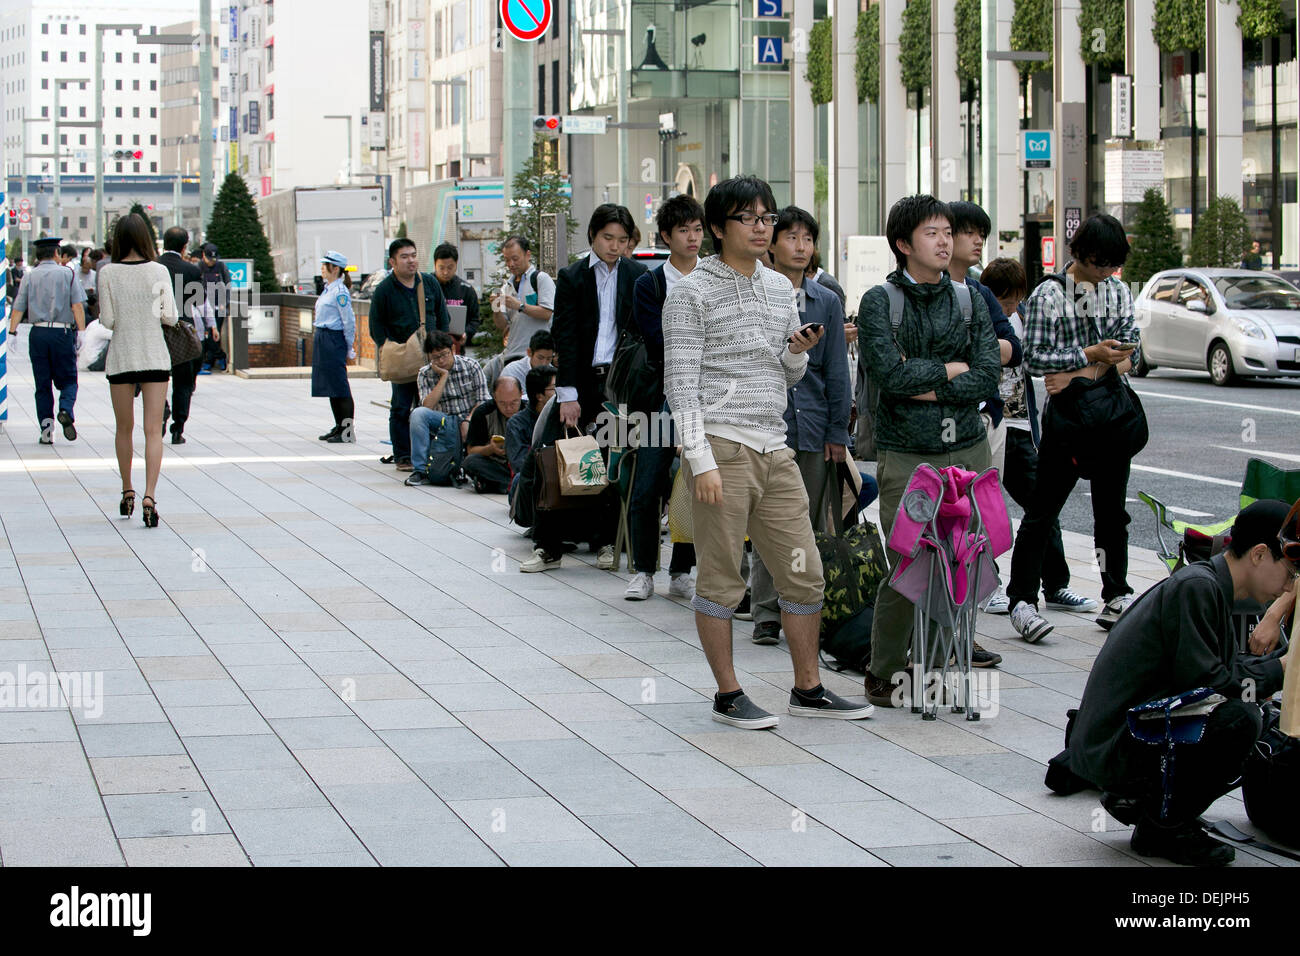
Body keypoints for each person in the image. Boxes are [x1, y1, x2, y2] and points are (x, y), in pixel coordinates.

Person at [664, 174, 874, 728]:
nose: (762, 227)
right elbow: (679, 383)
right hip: (722, 447)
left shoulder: (781, 288)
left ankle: (808, 688)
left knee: (802, 571)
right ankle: (727, 694)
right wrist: (699, 458)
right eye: (749, 218)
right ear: (717, 227)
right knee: (722, 577)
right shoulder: (691, 291)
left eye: (767, 217)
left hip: (775, 447)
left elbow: (787, 372)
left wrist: (796, 352)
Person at [1049, 499, 1297, 866]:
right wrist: (1283, 670)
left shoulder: (1210, 583)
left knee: (1243, 715)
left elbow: (1213, 673)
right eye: (1289, 573)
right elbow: (1211, 684)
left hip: (1122, 735)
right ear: (1260, 554)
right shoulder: (1198, 587)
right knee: (1241, 720)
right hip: (1114, 747)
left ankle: (1154, 804)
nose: (1289, 585)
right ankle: (1162, 827)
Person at [856, 195, 1001, 706]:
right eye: (932, 233)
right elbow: (888, 377)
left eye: (947, 232)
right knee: (909, 557)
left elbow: (988, 373)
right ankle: (886, 667)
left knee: (965, 558)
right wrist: (949, 372)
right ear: (903, 244)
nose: (944, 241)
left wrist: (931, 382)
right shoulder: (880, 301)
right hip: (907, 453)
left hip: (968, 447)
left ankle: (939, 662)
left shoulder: (970, 299)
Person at [1007, 214, 1142, 642]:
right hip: (1068, 421)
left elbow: (1130, 351)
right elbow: (1035, 361)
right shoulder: (1049, 294)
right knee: (1043, 509)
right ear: (1079, 254)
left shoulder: (1118, 291)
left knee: (1112, 511)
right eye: (1099, 264)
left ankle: (1116, 593)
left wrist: (1081, 371)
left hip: (1111, 416)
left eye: (1112, 266)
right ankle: (1022, 600)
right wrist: (1092, 355)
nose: (1106, 273)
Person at [745, 206, 851, 645]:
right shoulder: (756, 295)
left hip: (812, 428)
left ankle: (803, 607)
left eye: (808, 239)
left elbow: (836, 373)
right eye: (791, 237)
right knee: (766, 521)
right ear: (771, 243)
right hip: (765, 426)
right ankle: (765, 611)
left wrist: (837, 433)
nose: (801, 247)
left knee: (806, 523)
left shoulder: (826, 300)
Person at [532, 203, 649, 573]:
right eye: (607, 238)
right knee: (557, 456)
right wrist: (566, 393)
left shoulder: (637, 275)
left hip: (620, 386)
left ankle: (605, 543)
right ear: (593, 237)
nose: (615, 246)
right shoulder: (572, 277)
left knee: (611, 462)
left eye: (622, 240)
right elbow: (563, 336)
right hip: (580, 383)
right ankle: (548, 547)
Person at [979, 257, 1091, 621]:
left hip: (1022, 428)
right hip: (988, 425)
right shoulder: (979, 314)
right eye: (1006, 300)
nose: (1010, 307)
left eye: (1014, 300)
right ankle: (987, 586)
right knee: (984, 509)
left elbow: (1039, 361)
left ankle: (1055, 584)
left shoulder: (1026, 317)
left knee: (1042, 506)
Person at [624, 194, 705, 602]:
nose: (692, 238)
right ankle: (643, 570)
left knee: (691, 483)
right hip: (662, 396)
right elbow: (657, 341)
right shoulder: (650, 283)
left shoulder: (714, 277)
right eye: (683, 231)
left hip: (706, 396)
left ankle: (681, 569)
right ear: (666, 236)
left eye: (697, 230)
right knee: (649, 481)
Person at [98, 214, 180, 529]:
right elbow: (170, 316)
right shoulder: (159, 271)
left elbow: (107, 320)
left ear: (118, 239)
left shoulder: (108, 273)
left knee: (123, 428)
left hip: (121, 357)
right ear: (146, 238)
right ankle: (149, 496)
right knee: (152, 430)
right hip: (154, 357)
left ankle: (127, 490)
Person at [370, 238, 452, 472]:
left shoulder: (429, 283)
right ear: (392, 262)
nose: (411, 260)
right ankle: (403, 455)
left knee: (432, 404)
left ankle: (434, 451)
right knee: (401, 406)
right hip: (402, 358)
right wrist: (390, 349)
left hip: (430, 356)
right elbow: (376, 326)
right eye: (404, 257)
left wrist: (443, 347)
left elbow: (442, 315)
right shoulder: (384, 290)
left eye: (414, 255)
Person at [7, 236, 87, 444]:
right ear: (56, 254)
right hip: (61, 333)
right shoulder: (67, 274)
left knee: (42, 385)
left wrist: (13, 332)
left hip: (38, 334)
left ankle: (46, 430)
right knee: (68, 380)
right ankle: (65, 409)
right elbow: (77, 306)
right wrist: (82, 331)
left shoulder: (29, 276)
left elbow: (18, 306)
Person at [404, 331, 488, 487]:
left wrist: (468, 420)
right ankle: (420, 470)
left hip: (471, 417)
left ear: (453, 350)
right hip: (444, 421)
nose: (441, 360)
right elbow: (427, 406)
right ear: (429, 357)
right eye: (436, 357)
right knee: (418, 414)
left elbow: (483, 400)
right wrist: (443, 377)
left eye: (444, 355)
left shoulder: (471, 366)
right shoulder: (425, 374)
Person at [157, 226, 203, 444]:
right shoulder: (192, 270)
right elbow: (199, 301)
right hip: (183, 329)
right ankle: (178, 428)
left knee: (156, 378)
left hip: (156, 330)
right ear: (185, 246)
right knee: (183, 382)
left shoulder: (152, 267)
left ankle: (162, 410)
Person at [311, 251, 357, 443]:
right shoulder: (328, 289)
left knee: (340, 385)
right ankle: (338, 426)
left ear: (335, 268)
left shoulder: (340, 292)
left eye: (326, 265)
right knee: (331, 385)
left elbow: (349, 321)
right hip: (323, 337)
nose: (322, 268)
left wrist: (349, 347)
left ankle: (347, 431)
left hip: (333, 338)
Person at [491, 236, 555, 362]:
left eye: (515, 259)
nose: (511, 264)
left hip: (537, 356)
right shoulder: (506, 286)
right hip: (512, 354)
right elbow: (502, 325)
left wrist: (520, 306)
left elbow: (548, 313)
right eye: (507, 260)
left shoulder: (541, 279)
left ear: (527, 255)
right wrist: (496, 308)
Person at [462, 376, 522, 494]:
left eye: (514, 402)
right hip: (497, 464)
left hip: (521, 464)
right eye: (502, 403)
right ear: (494, 397)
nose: (508, 408)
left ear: (521, 394)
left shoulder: (529, 411)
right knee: (470, 462)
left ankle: (499, 484)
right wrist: (490, 449)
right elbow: (471, 450)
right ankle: (512, 484)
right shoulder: (483, 413)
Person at [433, 242, 481, 351]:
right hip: (430, 347)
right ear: (434, 264)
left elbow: (475, 319)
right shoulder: (426, 287)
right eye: (441, 268)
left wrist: (466, 333)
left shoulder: (466, 289)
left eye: (450, 267)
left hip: (456, 347)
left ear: (456, 264)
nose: (445, 272)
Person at [198, 243, 232, 373]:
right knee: (205, 335)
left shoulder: (221, 267)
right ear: (203, 256)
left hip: (219, 306)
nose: (212, 262)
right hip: (203, 306)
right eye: (209, 259)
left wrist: (226, 302)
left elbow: (228, 284)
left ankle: (210, 360)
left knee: (214, 334)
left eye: (214, 259)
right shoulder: (199, 267)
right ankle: (217, 357)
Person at [499, 329, 556, 394]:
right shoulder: (512, 371)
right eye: (540, 358)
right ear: (529, 353)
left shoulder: (554, 373)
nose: (544, 363)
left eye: (548, 359)